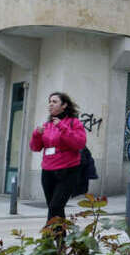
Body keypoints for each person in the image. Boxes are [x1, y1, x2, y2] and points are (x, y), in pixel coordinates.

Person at [30, 91, 88, 222]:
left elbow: (79, 144)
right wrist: (36, 135)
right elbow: (35, 147)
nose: (50, 104)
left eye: (54, 102)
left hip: (67, 171)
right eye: (49, 102)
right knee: (53, 207)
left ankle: (49, 237)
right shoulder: (47, 125)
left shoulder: (74, 123)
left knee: (55, 206)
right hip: (48, 171)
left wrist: (62, 127)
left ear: (64, 105)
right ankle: (60, 240)